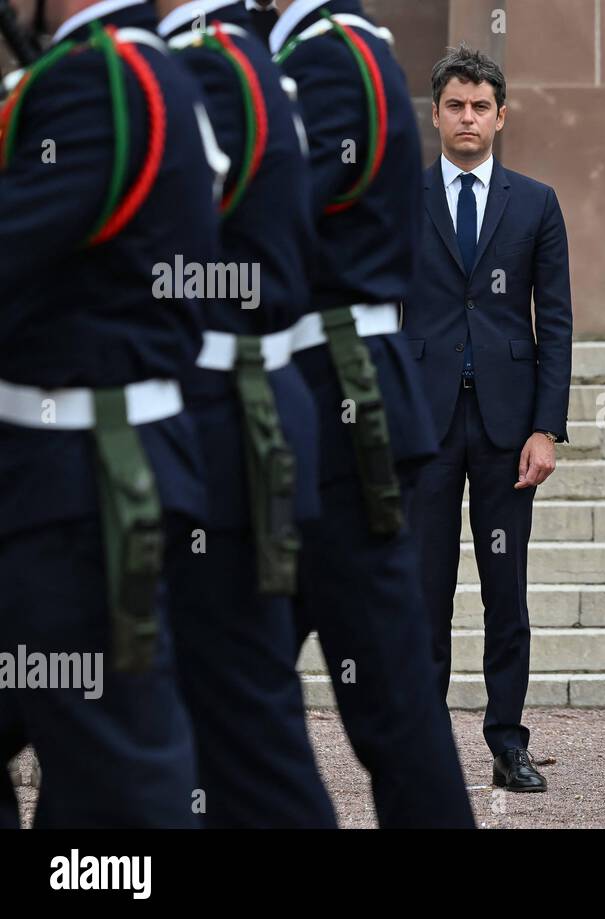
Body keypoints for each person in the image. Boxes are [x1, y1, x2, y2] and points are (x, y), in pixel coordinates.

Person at [0, 0, 217, 826]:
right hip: (77, 468)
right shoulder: (140, 66)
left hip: (79, 482)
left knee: (122, 776)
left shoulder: (100, 77)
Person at [270, 0, 474, 828]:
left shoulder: (334, 57)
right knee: (235, 681)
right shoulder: (312, 52)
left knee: (387, 697)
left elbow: (267, 227)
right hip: (310, 404)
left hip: (337, 405)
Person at [156, 0, 335, 828]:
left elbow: (251, 273)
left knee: (242, 717)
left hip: (219, 427)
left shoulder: (207, 66)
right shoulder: (240, 58)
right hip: (237, 414)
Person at [405, 45, 573, 794]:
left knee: (506, 592)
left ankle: (509, 743)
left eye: (480, 107)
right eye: (454, 106)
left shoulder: (535, 202)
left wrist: (547, 427)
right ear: (436, 114)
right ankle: (421, 748)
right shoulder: (401, 201)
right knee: (423, 591)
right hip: (425, 425)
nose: (467, 118)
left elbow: (557, 322)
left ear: (501, 116)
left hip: (510, 430)